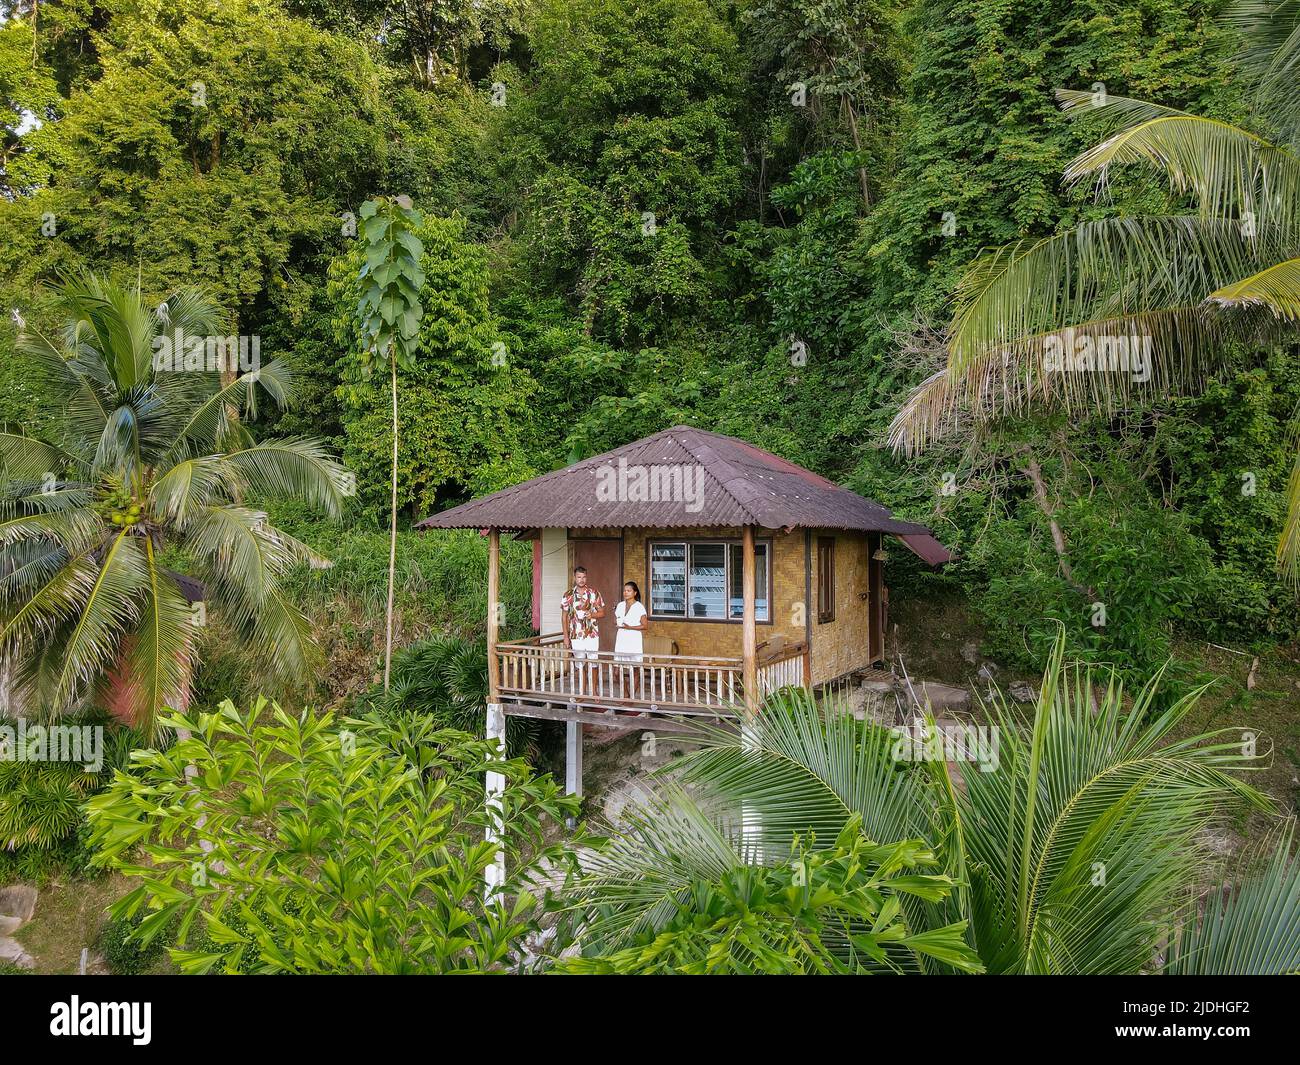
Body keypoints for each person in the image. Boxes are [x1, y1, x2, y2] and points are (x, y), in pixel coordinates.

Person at [560, 565, 604, 691]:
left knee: (594, 663)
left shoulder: (594, 593)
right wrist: (566, 637)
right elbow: (564, 618)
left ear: (586, 577)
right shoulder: (568, 595)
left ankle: (594, 691)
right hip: (575, 635)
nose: (581, 580)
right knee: (579, 664)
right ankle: (582, 691)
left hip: (592, 634)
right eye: (579, 577)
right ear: (574, 578)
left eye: (584, 577)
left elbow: (602, 612)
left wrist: (592, 614)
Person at [614, 581, 648, 699]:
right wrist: (618, 623)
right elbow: (617, 620)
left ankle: (631, 697)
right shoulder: (620, 605)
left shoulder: (639, 607)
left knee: (635, 670)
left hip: (633, 640)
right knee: (617, 672)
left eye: (628, 591)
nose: (626, 593)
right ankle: (626, 694)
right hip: (621, 639)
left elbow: (645, 626)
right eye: (624, 590)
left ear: (635, 593)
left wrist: (630, 627)